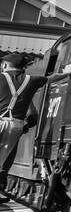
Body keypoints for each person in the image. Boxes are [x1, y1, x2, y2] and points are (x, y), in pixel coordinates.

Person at [0, 53, 45, 187]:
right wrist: (67, 72)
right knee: (4, 157)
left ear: (4, 65)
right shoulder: (31, 80)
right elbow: (52, 78)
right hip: (16, 125)